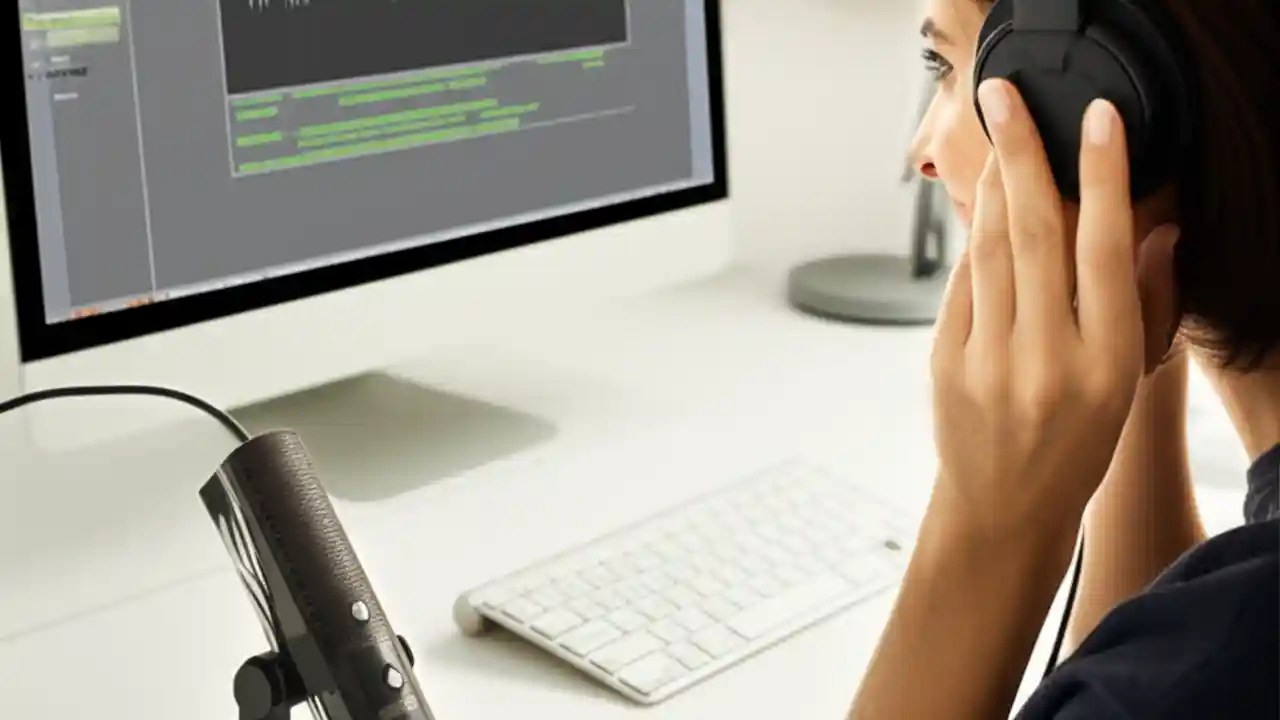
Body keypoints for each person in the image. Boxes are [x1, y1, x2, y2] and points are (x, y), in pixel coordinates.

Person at [846, 0, 1279, 718]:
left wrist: (986, 528)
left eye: (951, 69)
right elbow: (1140, 627)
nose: (921, 152)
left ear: (1087, 95)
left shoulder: (1193, 682)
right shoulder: (1215, 634)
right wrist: (1115, 278)